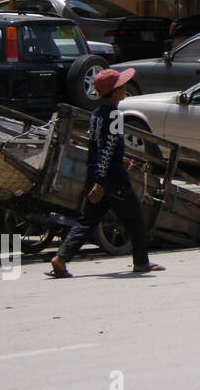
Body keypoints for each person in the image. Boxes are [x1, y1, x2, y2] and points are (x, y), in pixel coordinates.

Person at [47, 68, 163, 278]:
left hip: (97, 173)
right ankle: (141, 263)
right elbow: (107, 149)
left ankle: (61, 258)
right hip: (113, 179)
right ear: (115, 91)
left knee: (88, 220)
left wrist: (109, 168)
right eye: (121, 86)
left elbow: (100, 147)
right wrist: (101, 182)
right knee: (136, 219)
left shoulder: (96, 114)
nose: (125, 88)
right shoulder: (116, 117)